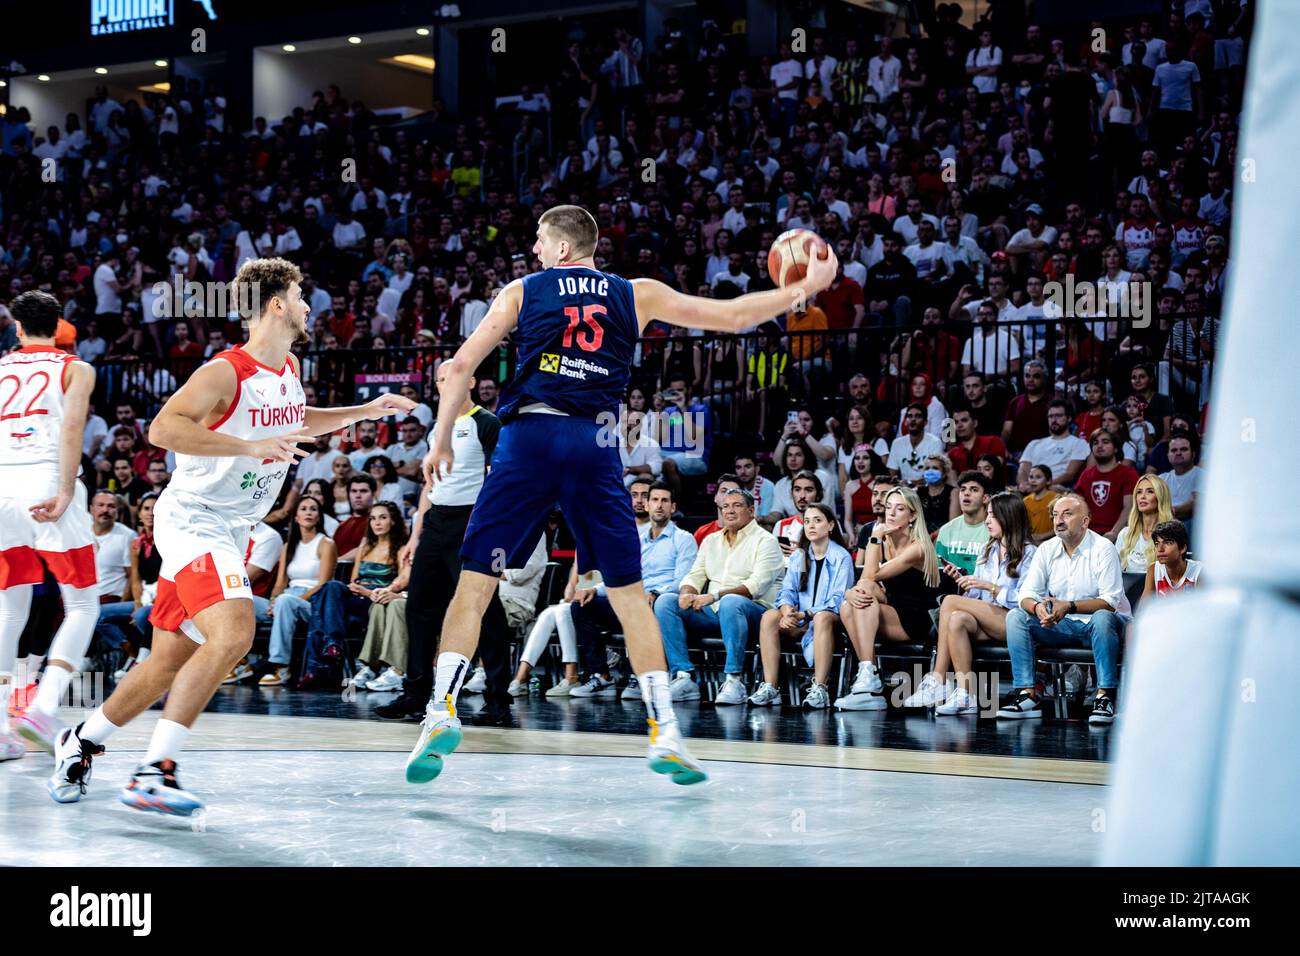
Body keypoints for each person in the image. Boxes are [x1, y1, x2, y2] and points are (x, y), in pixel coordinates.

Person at [413, 205, 834, 785]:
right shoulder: (636, 293)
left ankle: (440, 711)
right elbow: (734, 316)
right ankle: (666, 731)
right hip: (595, 443)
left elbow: (461, 366)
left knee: (476, 582)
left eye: (539, 241)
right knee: (631, 594)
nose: (535, 250)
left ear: (562, 249)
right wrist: (805, 290)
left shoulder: (523, 289)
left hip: (529, 439)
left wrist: (440, 439)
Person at [49, 257, 413, 812]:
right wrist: (247, 447)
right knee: (236, 630)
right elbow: (163, 428)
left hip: (231, 526)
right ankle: (154, 771)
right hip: (194, 518)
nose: (307, 306)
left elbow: (298, 420)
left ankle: (80, 741)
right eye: (300, 296)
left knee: (167, 661)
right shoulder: (225, 371)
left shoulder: (288, 367)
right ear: (277, 304)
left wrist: (365, 409)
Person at [380, 365, 516, 725]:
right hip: (436, 522)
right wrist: (415, 536)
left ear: (470, 381)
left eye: (452, 376)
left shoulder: (487, 422)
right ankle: (415, 695)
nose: (445, 383)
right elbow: (429, 484)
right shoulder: (437, 428)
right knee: (418, 608)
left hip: (471, 520)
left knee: (484, 610)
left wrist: (486, 527)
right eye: (440, 379)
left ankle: (498, 700)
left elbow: (496, 480)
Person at [0, 291, 100, 763]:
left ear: (17, 328)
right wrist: (64, 492)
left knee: (9, 610)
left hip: (2, 485)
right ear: (58, 326)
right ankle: (42, 709)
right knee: (82, 604)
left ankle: (0, 730)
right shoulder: (77, 369)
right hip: (45, 480)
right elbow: (72, 429)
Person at [998, 493, 1131, 725]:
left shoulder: (1103, 548)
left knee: (1102, 617)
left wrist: (1068, 606)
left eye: (1067, 514)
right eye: (1055, 515)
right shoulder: (1046, 549)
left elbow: (1110, 602)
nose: (1059, 520)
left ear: (1085, 521)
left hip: (1104, 627)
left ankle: (1105, 696)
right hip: (1064, 625)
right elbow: (1026, 594)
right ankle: (1027, 694)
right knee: (1017, 616)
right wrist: (1038, 607)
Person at [904, 492, 1037, 714]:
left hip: (1016, 623)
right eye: (988, 515)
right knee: (957, 619)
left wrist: (990, 587)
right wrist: (966, 582)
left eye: (993, 515)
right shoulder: (987, 549)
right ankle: (966, 695)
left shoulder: (1031, 553)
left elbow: (1026, 600)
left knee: (949, 601)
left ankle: (938, 678)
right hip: (988, 619)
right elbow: (977, 598)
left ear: (1009, 517)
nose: (987, 520)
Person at [652, 487, 782, 704]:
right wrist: (687, 592)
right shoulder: (711, 541)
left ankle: (734, 680)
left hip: (754, 614)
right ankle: (684, 677)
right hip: (714, 612)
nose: (729, 511)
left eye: (737, 506)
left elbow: (755, 586)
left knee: (731, 602)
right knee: (666, 602)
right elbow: (694, 575)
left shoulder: (766, 541)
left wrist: (714, 596)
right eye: (725, 506)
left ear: (751, 510)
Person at [570, 481, 697, 699]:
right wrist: (595, 589)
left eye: (664, 500)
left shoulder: (684, 539)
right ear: (647, 505)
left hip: (660, 603)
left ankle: (639, 677)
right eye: (654, 500)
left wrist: (655, 593)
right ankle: (601, 676)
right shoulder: (635, 539)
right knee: (582, 606)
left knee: (641, 607)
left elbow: (683, 580)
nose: (659, 505)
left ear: (673, 507)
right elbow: (620, 576)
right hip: (634, 601)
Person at [837, 486, 941, 710]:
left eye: (900, 508)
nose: (891, 513)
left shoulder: (919, 547)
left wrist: (874, 537)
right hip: (892, 608)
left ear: (912, 516)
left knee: (860, 598)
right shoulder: (884, 542)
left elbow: (870, 575)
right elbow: (866, 582)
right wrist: (848, 592)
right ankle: (869, 676)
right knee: (847, 606)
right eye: (888, 507)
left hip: (918, 619)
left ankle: (870, 679)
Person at [749, 503, 854, 709]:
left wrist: (805, 614)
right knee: (770, 616)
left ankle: (820, 688)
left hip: (831, 620)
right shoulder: (800, 556)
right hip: (801, 620)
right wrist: (786, 610)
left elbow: (838, 599)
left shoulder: (842, 557)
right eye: (807, 521)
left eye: (817, 520)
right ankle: (771, 687)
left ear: (831, 525)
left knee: (822, 617)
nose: (811, 525)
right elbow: (787, 590)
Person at [265, 496, 338, 687]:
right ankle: (240, 663)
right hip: (286, 598)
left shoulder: (326, 544)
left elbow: (324, 585)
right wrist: (273, 601)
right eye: (303, 509)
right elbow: (280, 583)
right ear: (296, 517)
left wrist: (287, 599)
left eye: (313, 509)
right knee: (246, 603)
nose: (308, 513)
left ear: (319, 516)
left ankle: (280, 666)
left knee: (285, 602)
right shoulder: (288, 546)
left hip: (313, 602)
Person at [347, 503, 411, 692]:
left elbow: (404, 578)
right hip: (361, 596)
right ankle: (371, 667)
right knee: (336, 589)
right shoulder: (365, 547)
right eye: (373, 518)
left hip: (384, 595)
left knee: (380, 604)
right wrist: (364, 591)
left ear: (393, 521)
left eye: (383, 517)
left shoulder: (401, 549)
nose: (377, 523)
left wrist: (378, 592)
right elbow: (354, 581)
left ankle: (379, 668)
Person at [1074, 429, 1140, 540]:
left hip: (1120, 535)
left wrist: (1114, 533)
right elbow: (1077, 507)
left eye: (1105, 442)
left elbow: (1129, 507)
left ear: (1116, 448)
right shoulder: (1085, 475)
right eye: (1095, 443)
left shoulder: (1128, 474)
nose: (1099, 446)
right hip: (1088, 535)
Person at [1017, 399, 1090, 490]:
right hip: (1031, 488)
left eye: (1058, 416)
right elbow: (1023, 470)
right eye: (1050, 416)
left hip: (1057, 488)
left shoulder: (1079, 443)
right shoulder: (1034, 443)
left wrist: (1042, 486)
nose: (1054, 420)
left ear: (1069, 418)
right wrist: (1023, 484)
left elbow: (1070, 474)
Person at [935, 471, 995, 574]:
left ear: (985, 498)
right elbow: (939, 570)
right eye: (963, 489)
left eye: (974, 490)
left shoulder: (995, 530)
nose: (966, 493)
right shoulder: (946, 530)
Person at [1140, 519, 1202, 600]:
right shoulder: (1153, 570)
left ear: (1182, 548)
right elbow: (1143, 607)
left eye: (1168, 543)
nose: (1160, 549)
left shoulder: (1199, 572)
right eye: (1157, 544)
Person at [887, 403, 945, 486]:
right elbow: (892, 474)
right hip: (903, 490)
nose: (913, 419)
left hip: (928, 489)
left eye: (918, 416)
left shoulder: (935, 442)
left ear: (925, 422)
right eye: (910, 416)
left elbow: (934, 476)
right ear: (905, 422)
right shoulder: (897, 443)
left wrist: (909, 483)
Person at [692, 473, 741, 546]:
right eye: (724, 491)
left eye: (734, 492)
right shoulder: (702, 533)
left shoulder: (750, 533)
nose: (728, 495)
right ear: (715, 498)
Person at [1023, 464, 1059, 543]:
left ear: (1048, 481)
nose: (1033, 480)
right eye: (1031, 477)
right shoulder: (1025, 501)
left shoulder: (1056, 499)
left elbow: (1061, 524)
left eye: (1038, 477)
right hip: (1031, 542)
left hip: (1052, 541)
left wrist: (1042, 536)